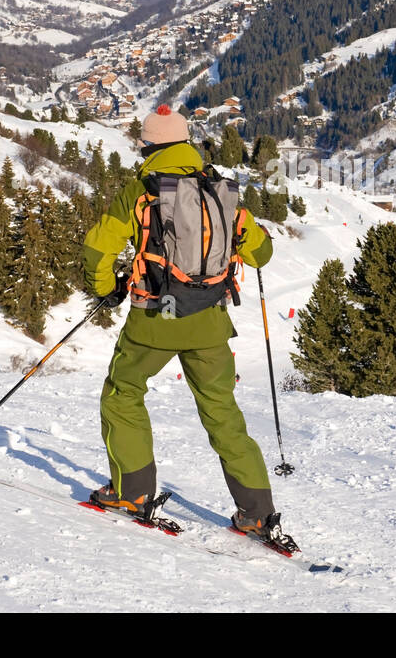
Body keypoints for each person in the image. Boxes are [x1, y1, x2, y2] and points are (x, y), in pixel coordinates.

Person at [82, 105, 292, 546]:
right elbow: (261, 254)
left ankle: (132, 492)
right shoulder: (220, 189)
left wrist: (105, 289)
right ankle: (257, 514)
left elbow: (97, 249)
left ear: (148, 144)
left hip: (156, 318)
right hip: (210, 321)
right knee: (223, 415)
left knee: (123, 393)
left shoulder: (140, 190)